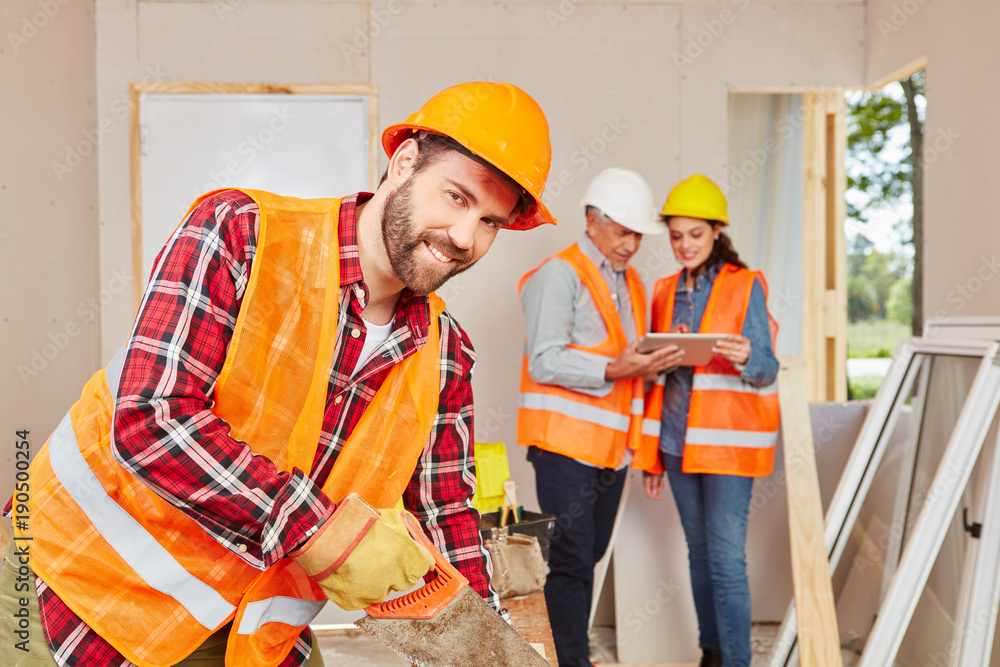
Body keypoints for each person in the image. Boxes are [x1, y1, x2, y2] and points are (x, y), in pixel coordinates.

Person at [0, 81, 556, 667]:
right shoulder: (242, 233)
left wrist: (487, 654)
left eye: (491, 222)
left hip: (247, 627)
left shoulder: (445, 354)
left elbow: (445, 516)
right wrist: (325, 535)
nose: (465, 238)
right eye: (457, 198)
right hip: (72, 582)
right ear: (405, 161)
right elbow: (151, 419)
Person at [517, 167, 679, 667]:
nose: (631, 243)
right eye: (623, 231)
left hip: (610, 450)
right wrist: (616, 367)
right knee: (569, 562)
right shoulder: (559, 274)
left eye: (637, 234)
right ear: (592, 222)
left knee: (586, 558)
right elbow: (545, 359)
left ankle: (566, 652)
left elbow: (626, 357)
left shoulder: (631, 282)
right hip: (563, 448)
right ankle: (572, 661)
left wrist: (650, 365)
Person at [634, 174, 779, 667]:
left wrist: (747, 356)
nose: (684, 245)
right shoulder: (663, 289)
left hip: (726, 446)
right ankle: (712, 654)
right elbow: (655, 380)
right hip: (676, 444)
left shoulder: (745, 284)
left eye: (695, 234)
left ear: (716, 231)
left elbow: (767, 369)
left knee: (726, 561)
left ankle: (739, 662)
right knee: (699, 554)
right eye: (676, 236)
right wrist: (651, 457)